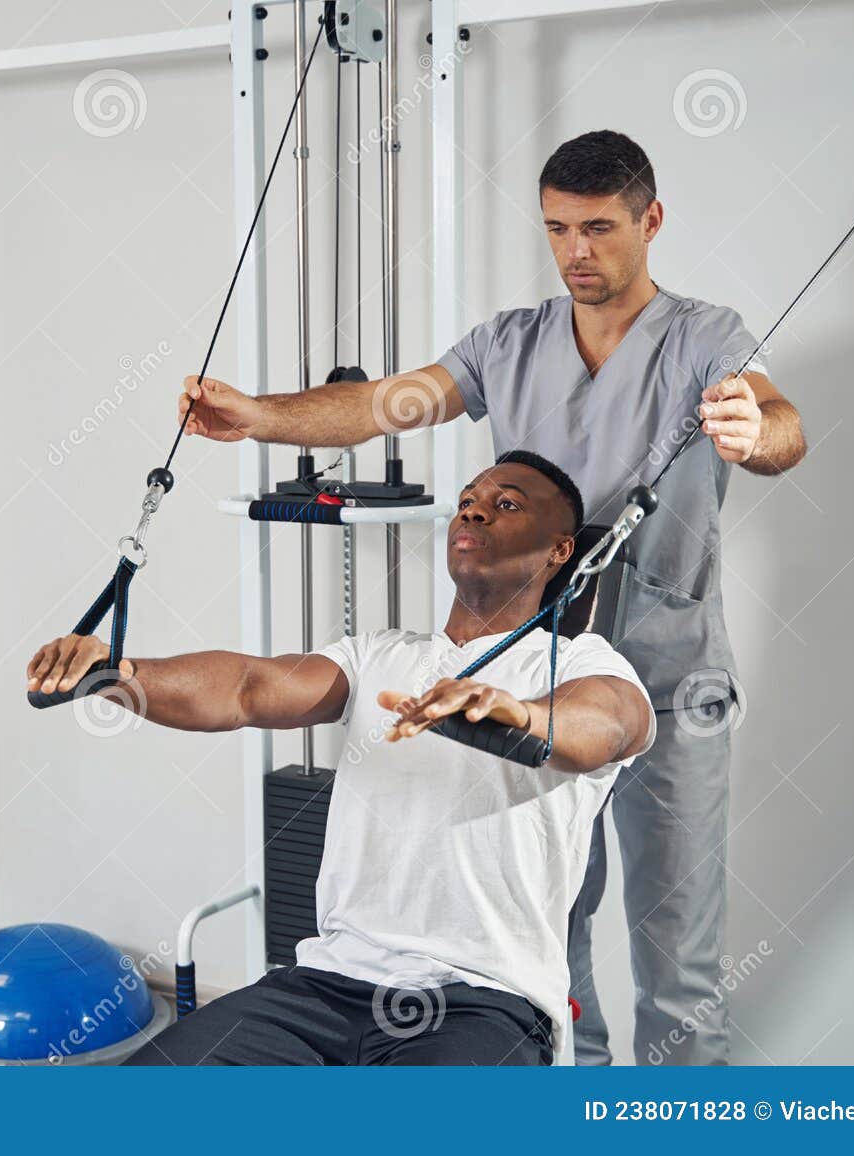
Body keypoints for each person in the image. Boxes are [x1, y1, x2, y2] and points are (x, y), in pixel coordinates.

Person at [174, 130, 807, 1064]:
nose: (576, 253)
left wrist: (755, 432)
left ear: (651, 221)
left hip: (668, 690)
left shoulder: (703, 336)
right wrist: (263, 417)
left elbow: (781, 424)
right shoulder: (510, 342)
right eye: (558, 229)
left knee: (679, 962)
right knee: (547, 951)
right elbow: (390, 402)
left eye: (598, 228)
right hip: (526, 697)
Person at [27, 453, 656, 1065]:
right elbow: (247, 687)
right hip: (324, 985)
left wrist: (516, 715)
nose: (475, 514)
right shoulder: (380, 655)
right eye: (467, 502)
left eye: (506, 504)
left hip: (483, 1002)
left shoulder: (578, 664)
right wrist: (121, 672)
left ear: (560, 551)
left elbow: (606, 725)